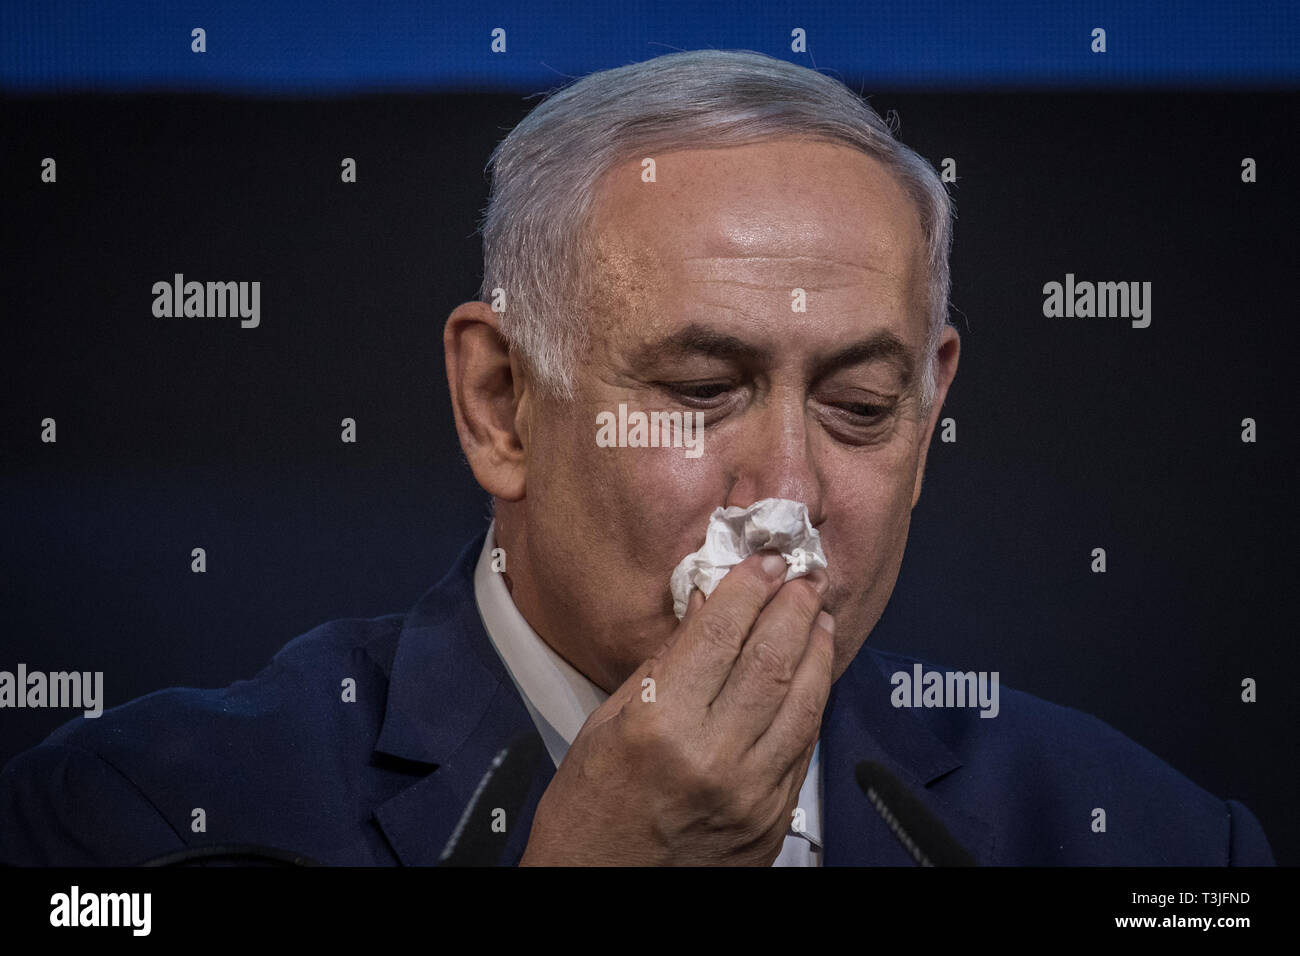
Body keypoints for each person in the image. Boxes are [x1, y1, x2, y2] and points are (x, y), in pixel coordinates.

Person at [0, 49, 1273, 867]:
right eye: (702, 392)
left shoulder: (1155, 844)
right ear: (501, 402)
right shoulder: (131, 827)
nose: (786, 489)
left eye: (862, 404)